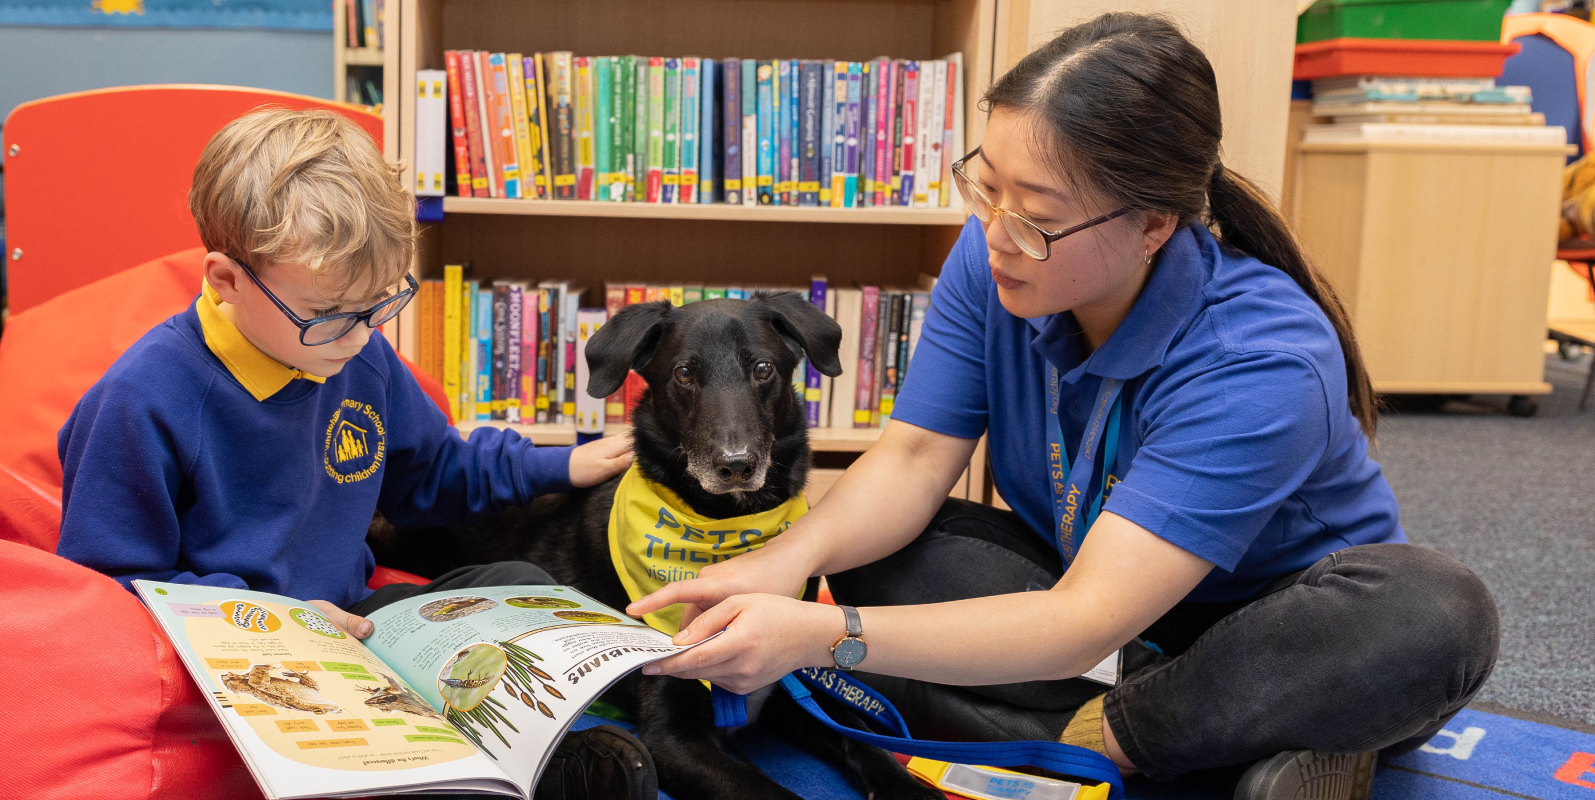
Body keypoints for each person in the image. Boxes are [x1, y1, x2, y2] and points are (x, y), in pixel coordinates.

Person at [629, 14, 1499, 800]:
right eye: (987, 186)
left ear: (1154, 225)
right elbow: (911, 462)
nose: (996, 233)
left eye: (1036, 215)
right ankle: (1223, 753)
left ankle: (1112, 739)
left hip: (1273, 635)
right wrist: (787, 562)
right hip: (1102, 605)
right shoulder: (997, 255)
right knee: (871, 559)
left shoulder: (1260, 356)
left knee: (1434, 614)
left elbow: (1084, 619)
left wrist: (826, 637)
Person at [55, 108, 649, 800]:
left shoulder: (356, 357)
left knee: (521, 581)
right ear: (227, 280)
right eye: (333, 313)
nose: (363, 337)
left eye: (381, 305)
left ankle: (526, 765)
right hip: (237, 654)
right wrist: (279, 622)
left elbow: (432, 473)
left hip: (353, 620)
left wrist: (558, 466)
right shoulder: (142, 397)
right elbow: (108, 586)